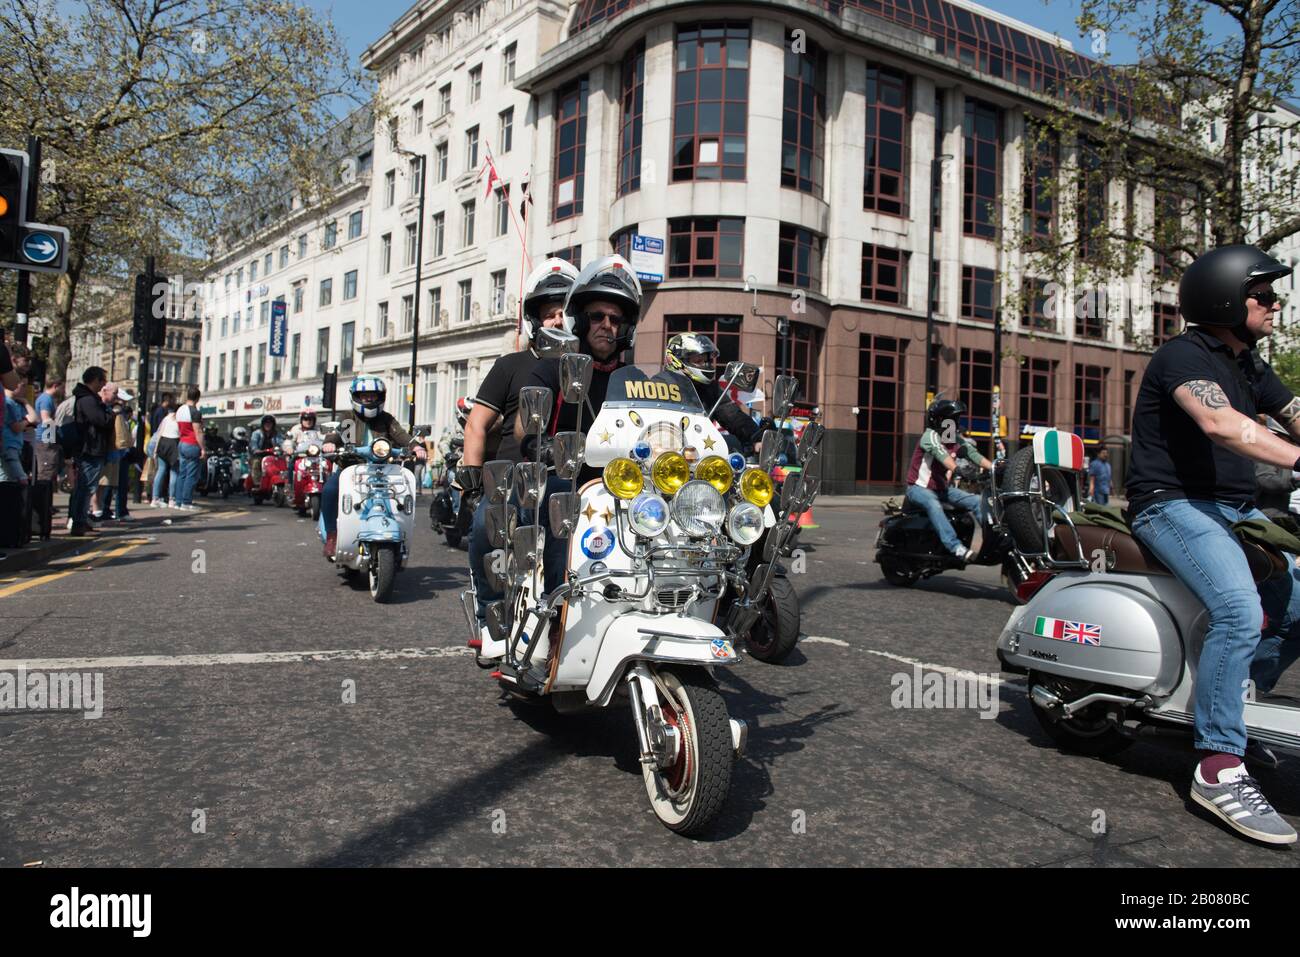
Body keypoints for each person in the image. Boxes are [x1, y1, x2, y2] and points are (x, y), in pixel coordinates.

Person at [1126, 244, 1300, 845]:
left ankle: (1224, 700)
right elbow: (1224, 424)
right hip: (1172, 505)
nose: (1276, 305)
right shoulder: (1183, 356)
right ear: (1228, 298)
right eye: (1264, 295)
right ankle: (1218, 765)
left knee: (1297, 603)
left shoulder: (1250, 363)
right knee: (1238, 610)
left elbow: (1293, 412)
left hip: (1236, 511)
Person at [517, 254, 643, 595]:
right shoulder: (552, 366)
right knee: (560, 492)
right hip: (567, 479)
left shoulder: (634, 379)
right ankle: (559, 603)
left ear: (626, 327)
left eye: (616, 319)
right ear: (580, 320)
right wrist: (547, 448)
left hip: (620, 482)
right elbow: (525, 430)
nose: (607, 325)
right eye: (598, 316)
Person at [464, 258, 579, 623]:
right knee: (484, 526)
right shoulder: (509, 366)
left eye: (565, 312)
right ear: (535, 320)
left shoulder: (590, 366)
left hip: (573, 480)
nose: (558, 320)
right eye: (550, 314)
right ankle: (487, 613)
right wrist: (470, 473)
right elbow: (477, 424)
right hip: (514, 478)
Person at [319, 376, 426, 557]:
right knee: (329, 490)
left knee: (403, 492)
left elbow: (400, 435)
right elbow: (338, 434)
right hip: (350, 469)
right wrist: (329, 443)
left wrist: (415, 446)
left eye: (373, 396)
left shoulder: (386, 419)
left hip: (382, 470)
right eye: (364, 396)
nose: (369, 400)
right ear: (356, 397)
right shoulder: (349, 418)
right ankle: (332, 535)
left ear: (380, 397)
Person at [904, 397, 992, 561]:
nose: (954, 422)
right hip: (918, 489)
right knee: (933, 504)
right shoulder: (929, 436)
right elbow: (941, 454)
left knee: (978, 501)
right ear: (939, 419)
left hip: (941, 489)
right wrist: (958, 470)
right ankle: (955, 547)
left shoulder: (953, 439)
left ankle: (992, 540)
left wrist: (993, 468)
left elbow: (972, 453)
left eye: (956, 419)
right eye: (950, 419)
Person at [664, 332, 765, 448]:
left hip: (701, 452)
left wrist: (756, 437)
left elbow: (732, 415)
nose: (705, 365)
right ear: (675, 360)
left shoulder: (710, 388)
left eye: (707, 361)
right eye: (698, 361)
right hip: (663, 449)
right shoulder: (660, 384)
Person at [69, 367, 115, 535]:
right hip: (89, 448)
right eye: (102, 381)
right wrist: (111, 416)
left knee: (86, 487)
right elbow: (101, 420)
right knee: (86, 487)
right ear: (94, 380)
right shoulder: (87, 399)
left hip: (91, 447)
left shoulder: (87, 398)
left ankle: (81, 520)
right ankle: (78, 522)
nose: (103, 385)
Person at [173, 387, 206, 510]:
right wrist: (202, 448)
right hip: (192, 444)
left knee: (182, 473)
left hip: (182, 443)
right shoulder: (195, 412)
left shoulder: (180, 410)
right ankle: (186, 502)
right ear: (198, 398)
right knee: (191, 475)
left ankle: (178, 501)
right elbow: (198, 432)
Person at [248, 414, 282, 490]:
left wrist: (284, 448)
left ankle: (284, 481)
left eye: (270, 423)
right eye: (266, 423)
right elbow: (253, 444)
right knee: (256, 462)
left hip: (273, 455)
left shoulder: (277, 434)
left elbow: (281, 443)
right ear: (263, 424)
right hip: (259, 455)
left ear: (273, 424)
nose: (268, 425)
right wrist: (256, 450)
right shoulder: (256, 433)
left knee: (283, 463)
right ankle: (257, 483)